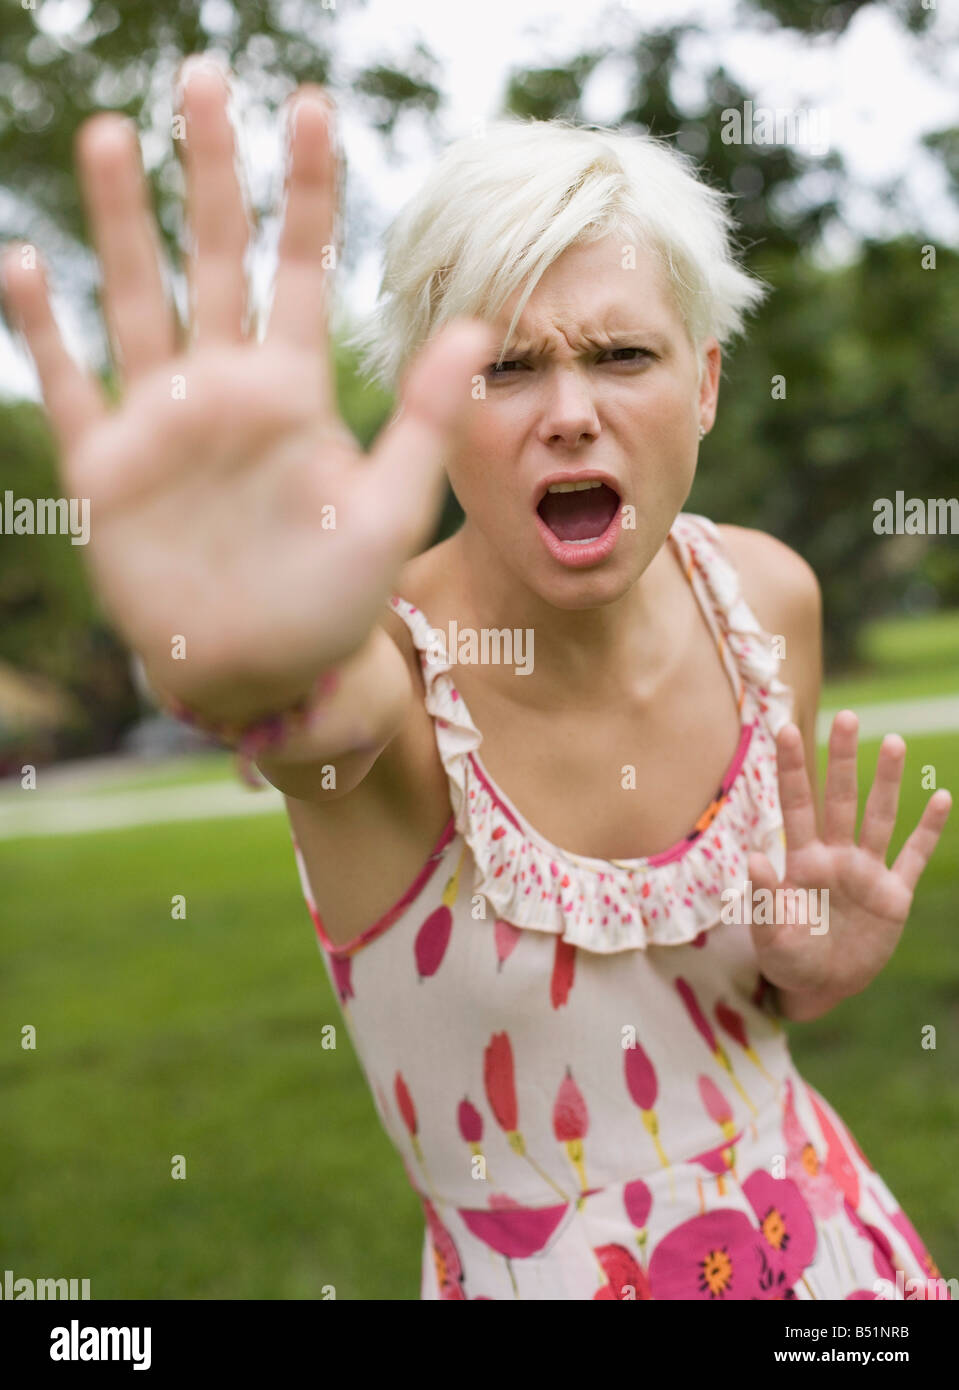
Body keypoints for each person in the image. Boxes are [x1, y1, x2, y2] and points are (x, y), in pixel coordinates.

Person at [2, 55, 951, 1302]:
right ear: (432, 410)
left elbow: (741, 998)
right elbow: (312, 719)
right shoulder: (390, 685)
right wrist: (242, 650)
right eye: (505, 368)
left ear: (707, 384)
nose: (568, 412)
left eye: (620, 355)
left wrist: (799, 976)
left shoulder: (771, 599)